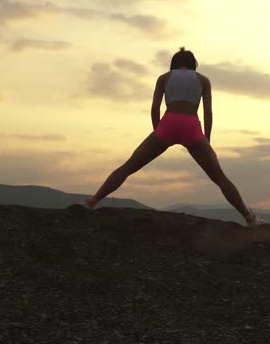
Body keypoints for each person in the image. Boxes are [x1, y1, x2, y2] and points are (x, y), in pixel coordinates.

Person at [85, 47, 258, 226]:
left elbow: (154, 108)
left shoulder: (164, 78)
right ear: (193, 65)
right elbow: (208, 113)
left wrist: (158, 133)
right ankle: (248, 216)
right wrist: (207, 139)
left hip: (168, 124)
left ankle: (94, 199)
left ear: (173, 64)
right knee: (220, 178)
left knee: (129, 166)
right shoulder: (203, 80)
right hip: (192, 126)